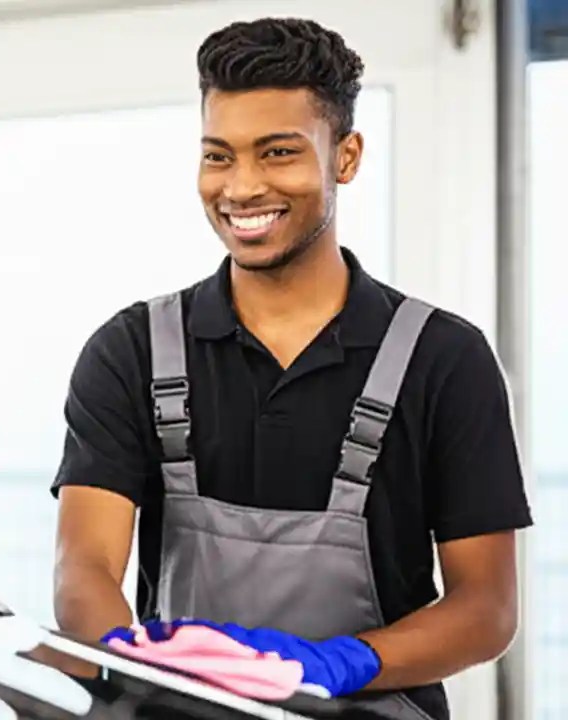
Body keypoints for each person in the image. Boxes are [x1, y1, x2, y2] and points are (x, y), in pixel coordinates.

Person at [50, 16, 531, 720]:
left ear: (346, 156)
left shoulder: (443, 360)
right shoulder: (130, 351)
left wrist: (338, 662)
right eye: (219, 156)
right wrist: (130, 662)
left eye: (277, 153)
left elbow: (487, 609)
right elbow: (83, 567)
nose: (242, 187)